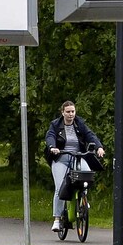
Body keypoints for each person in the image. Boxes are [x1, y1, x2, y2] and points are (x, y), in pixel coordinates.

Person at [41, 99, 106, 234]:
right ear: (62, 112)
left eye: (73, 111)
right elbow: (50, 137)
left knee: (87, 174)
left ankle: (83, 200)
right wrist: (53, 147)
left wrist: (99, 147)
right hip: (61, 158)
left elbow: (90, 135)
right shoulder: (55, 125)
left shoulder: (79, 123)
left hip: (78, 156)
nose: (71, 114)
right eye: (68, 112)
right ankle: (57, 219)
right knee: (60, 187)